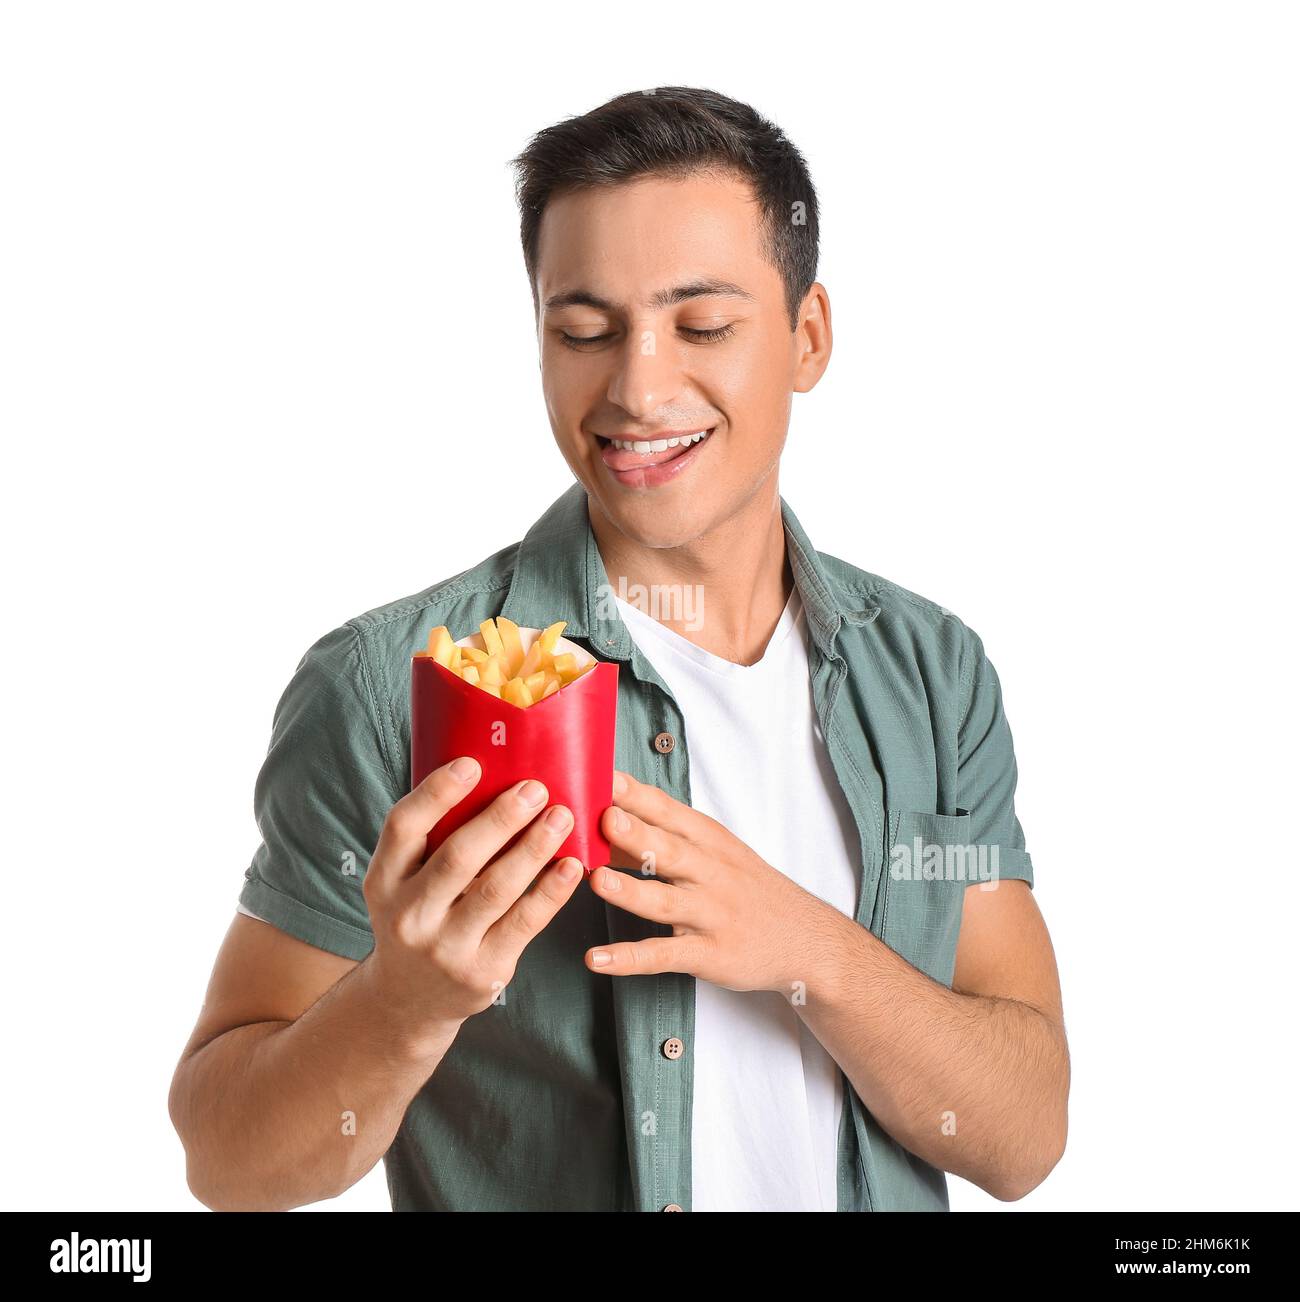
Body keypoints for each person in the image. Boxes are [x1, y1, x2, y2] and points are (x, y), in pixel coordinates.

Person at [169, 85, 1068, 1212]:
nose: (637, 390)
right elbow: (230, 1164)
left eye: (701, 326)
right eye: (583, 331)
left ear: (807, 337)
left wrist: (810, 950)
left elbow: (1021, 1139)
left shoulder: (934, 676)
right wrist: (405, 1001)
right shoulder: (388, 687)